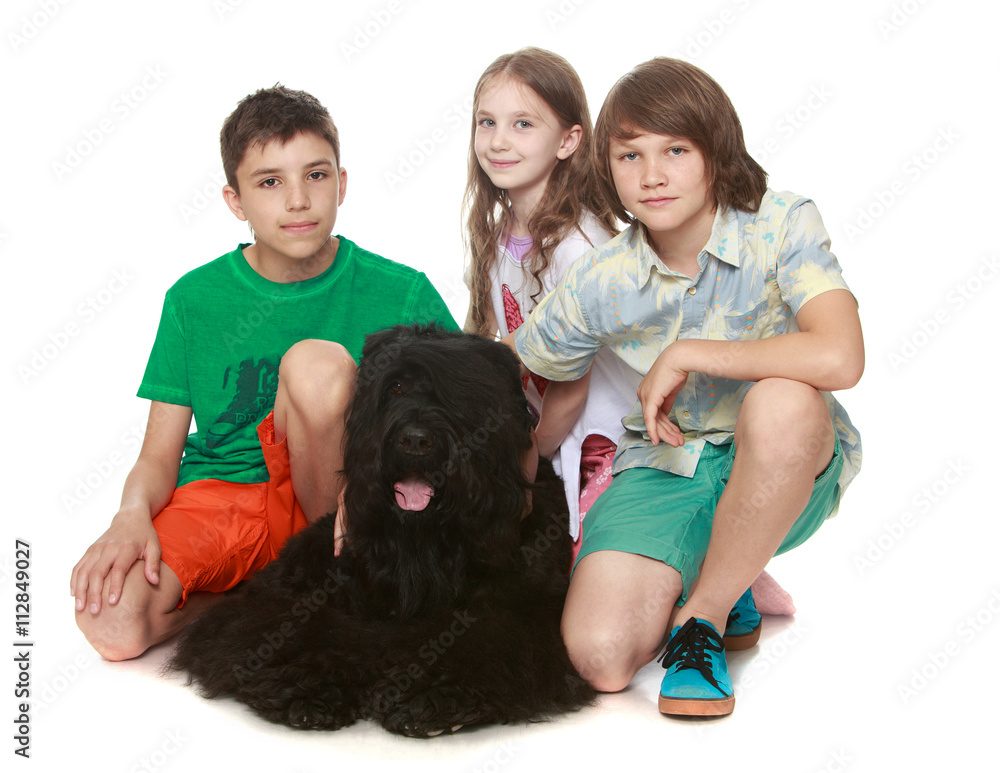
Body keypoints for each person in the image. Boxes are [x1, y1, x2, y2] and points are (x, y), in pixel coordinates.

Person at [511, 58, 863, 717]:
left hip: (786, 460)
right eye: (629, 154)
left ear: (714, 150)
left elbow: (842, 355)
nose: (651, 175)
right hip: (665, 462)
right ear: (607, 167)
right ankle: (728, 576)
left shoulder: (782, 223)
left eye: (675, 149)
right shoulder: (603, 276)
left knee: (783, 399)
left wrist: (694, 352)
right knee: (600, 657)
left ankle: (702, 615)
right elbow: (511, 361)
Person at [70, 86, 459, 661]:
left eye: (316, 176)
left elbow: (455, 418)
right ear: (235, 199)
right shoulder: (194, 299)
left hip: (345, 499)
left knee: (314, 363)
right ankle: (265, 592)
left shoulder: (401, 292)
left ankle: (339, 572)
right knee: (112, 621)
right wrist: (129, 516)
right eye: (270, 182)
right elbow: (157, 454)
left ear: (342, 183)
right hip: (224, 494)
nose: (298, 200)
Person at [463, 47, 640, 554]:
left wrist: (527, 457)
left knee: (582, 578)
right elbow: (489, 342)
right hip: (546, 431)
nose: (498, 141)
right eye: (486, 122)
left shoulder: (579, 248)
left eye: (522, 124)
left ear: (568, 140)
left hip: (602, 441)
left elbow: (571, 390)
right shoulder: (498, 235)